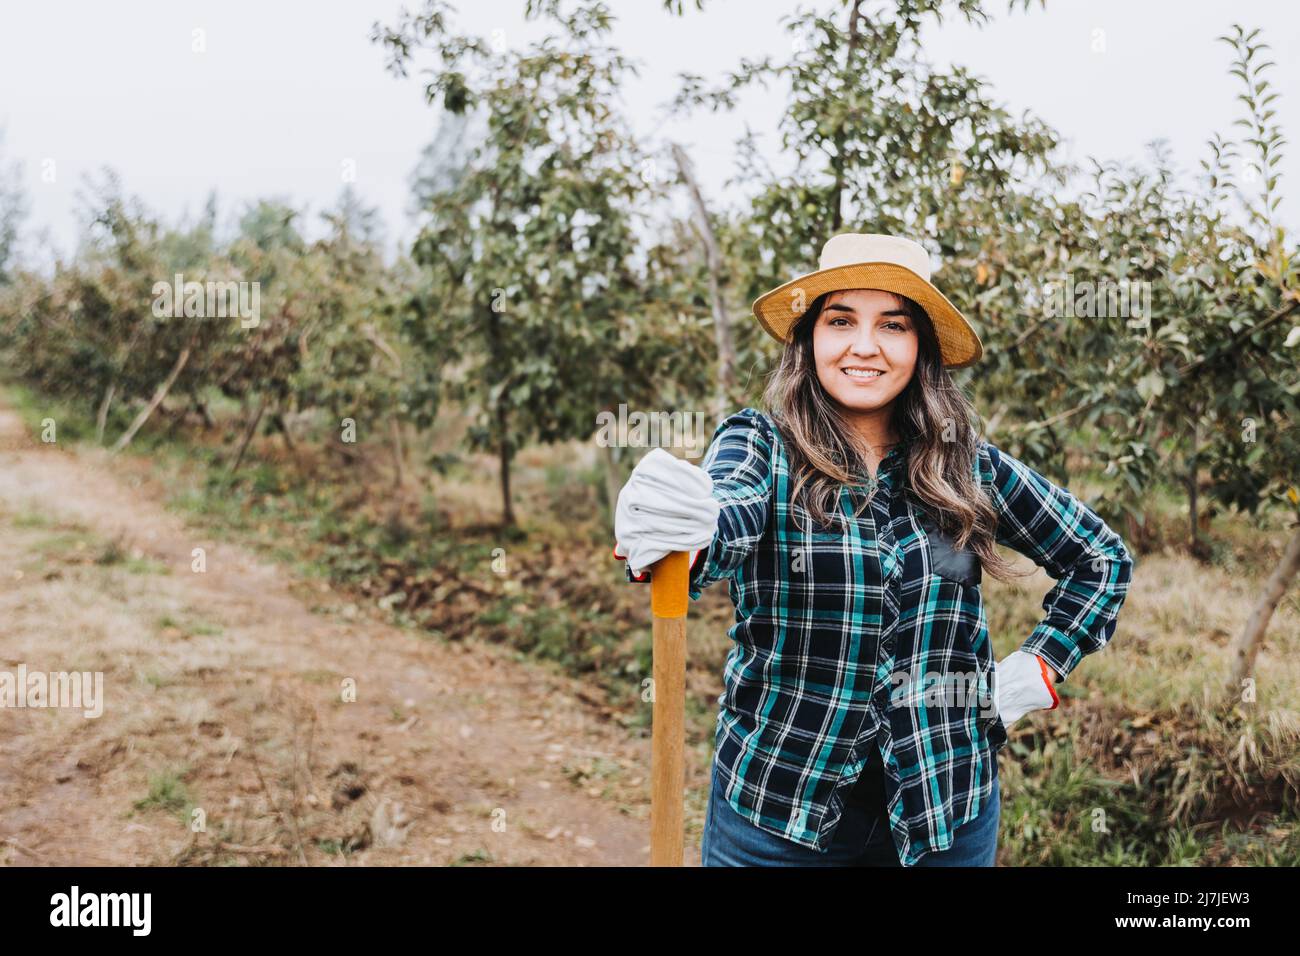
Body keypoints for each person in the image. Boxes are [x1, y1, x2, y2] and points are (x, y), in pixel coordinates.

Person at [614, 233, 1135, 867]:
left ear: (921, 349)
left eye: (893, 324)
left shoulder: (966, 466)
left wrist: (1039, 669)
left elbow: (1100, 559)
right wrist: (687, 529)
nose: (865, 345)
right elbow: (730, 516)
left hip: (945, 811)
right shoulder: (761, 445)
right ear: (810, 339)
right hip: (776, 814)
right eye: (841, 321)